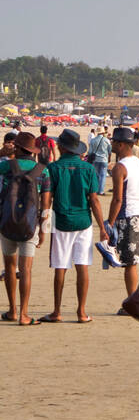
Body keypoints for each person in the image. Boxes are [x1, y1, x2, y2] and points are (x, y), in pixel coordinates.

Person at [42, 129, 107, 324]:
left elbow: (47, 200)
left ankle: (57, 311)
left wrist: (43, 226)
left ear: (61, 147)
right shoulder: (88, 169)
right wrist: (102, 227)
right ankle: (81, 312)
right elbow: (94, 200)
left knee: (60, 267)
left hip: (61, 222)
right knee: (82, 266)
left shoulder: (53, 169)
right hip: (84, 223)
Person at [0, 132, 51, 325]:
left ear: (17, 148)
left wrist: (2, 153)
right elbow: (46, 204)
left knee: (10, 268)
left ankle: (12, 310)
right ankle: (24, 314)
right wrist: (44, 231)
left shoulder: (5, 166)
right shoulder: (42, 171)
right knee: (26, 270)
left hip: (6, 223)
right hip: (30, 225)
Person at [105, 126, 139, 306]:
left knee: (131, 262)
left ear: (120, 145)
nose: (111, 144)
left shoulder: (120, 167)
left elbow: (118, 199)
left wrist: (109, 224)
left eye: (113, 142)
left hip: (129, 216)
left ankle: (132, 304)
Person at [87, 128, 112, 194]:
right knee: (103, 175)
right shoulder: (107, 140)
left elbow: (90, 152)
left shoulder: (93, 140)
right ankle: (101, 191)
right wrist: (109, 159)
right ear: (103, 133)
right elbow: (109, 151)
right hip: (104, 159)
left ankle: (95, 189)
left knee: (96, 175)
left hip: (95, 159)